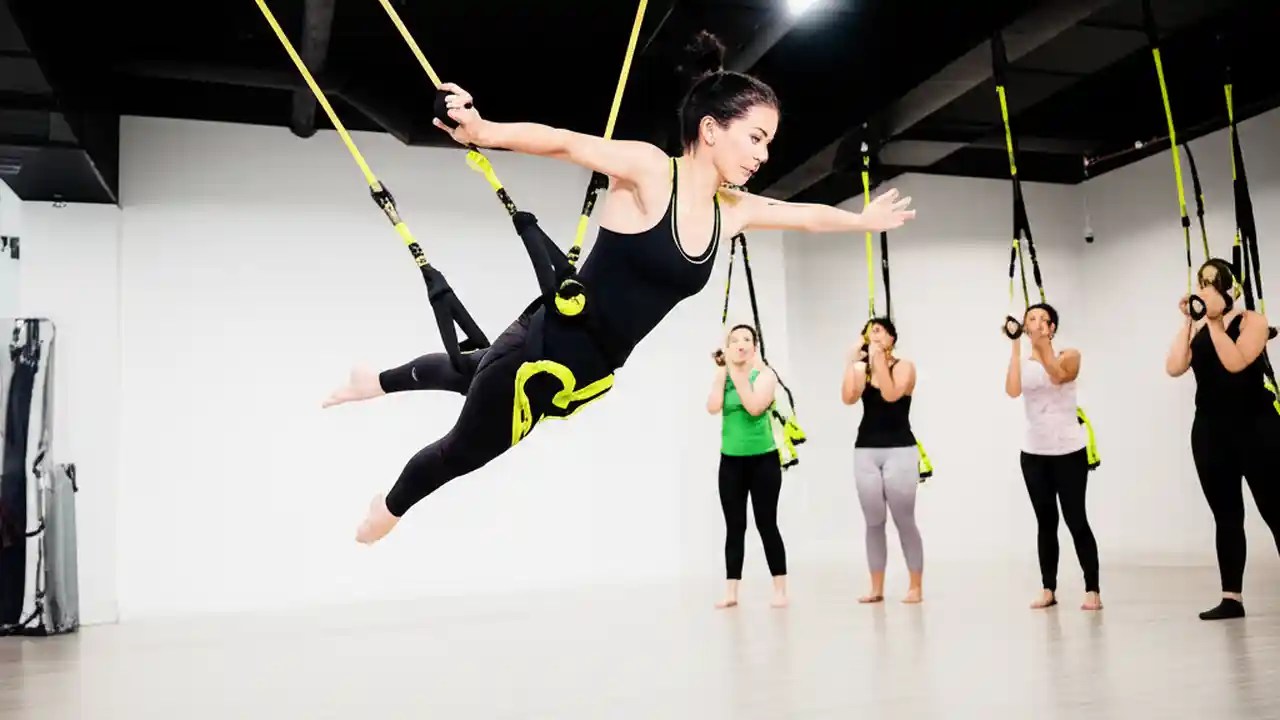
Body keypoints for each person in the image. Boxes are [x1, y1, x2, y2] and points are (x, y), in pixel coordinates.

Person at [321, 31, 917, 545]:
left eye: (768, 142)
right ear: (711, 130)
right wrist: (481, 129)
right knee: (463, 450)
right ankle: (387, 509)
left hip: (587, 368)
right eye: (756, 137)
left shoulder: (727, 211)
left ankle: (372, 381)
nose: (763, 154)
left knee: (469, 373)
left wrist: (861, 221)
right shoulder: (653, 171)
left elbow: (804, 215)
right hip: (542, 350)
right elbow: (565, 141)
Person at [1165, 258, 1280, 620]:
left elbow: (1235, 361)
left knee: (1276, 509)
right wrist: (1188, 321)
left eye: (1214, 282)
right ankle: (1232, 598)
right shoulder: (1199, 329)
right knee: (1226, 515)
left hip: (1256, 429)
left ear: (1231, 288)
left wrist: (1214, 321)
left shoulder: (1252, 322)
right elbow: (1174, 366)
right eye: (1202, 282)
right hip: (1212, 432)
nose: (1206, 288)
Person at [1003, 304, 1102, 612]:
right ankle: (1048, 589)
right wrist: (1016, 343)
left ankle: (1093, 590)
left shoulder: (1069, 355)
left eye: (1043, 319)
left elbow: (1058, 377)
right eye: (1030, 319)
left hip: (1069, 452)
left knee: (1076, 519)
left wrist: (1044, 346)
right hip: (1034, 454)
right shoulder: (1023, 362)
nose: (1037, 323)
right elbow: (1012, 390)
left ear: (1053, 327)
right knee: (1046, 522)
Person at [841, 318, 923, 604]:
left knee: (904, 518)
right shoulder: (862, 370)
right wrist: (851, 363)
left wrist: (877, 361)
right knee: (873, 521)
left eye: (879, 331)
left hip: (900, 448)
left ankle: (915, 586)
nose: (873, 335)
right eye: (869, 331)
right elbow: (848, 398)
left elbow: (890, 395)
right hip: (865, 449)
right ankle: (876, 588)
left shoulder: (904, 366)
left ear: (891, 338)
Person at [705, 324, 787, 609]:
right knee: (734, 526)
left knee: (767, 524)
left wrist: (736, 372)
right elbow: (713, 407)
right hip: (731, 462)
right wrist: (720, 375)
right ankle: (731, 592)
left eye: (746, 340)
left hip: (763, 460)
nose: (740, 344)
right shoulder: (724, 375)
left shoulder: (765, 376)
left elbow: (754, 406)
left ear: (755, 346)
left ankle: (779, 590)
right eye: (734, 340)